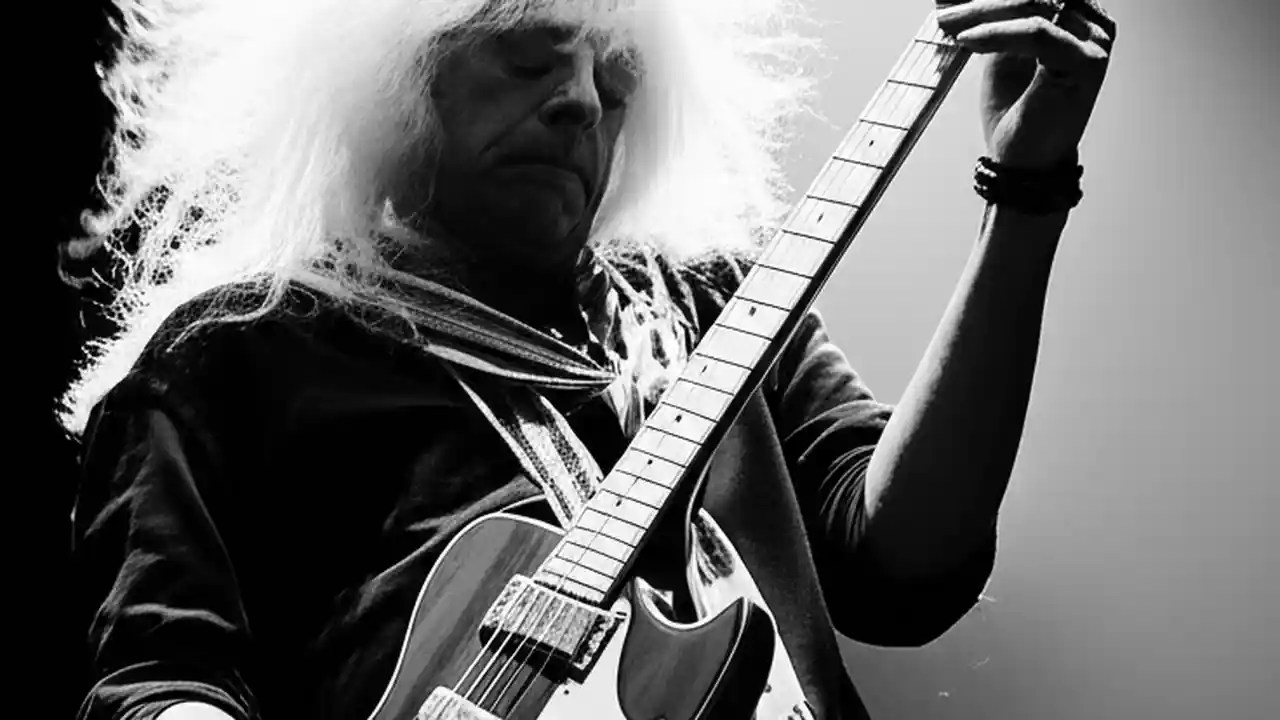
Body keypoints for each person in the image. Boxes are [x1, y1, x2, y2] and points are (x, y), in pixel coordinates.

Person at [64, 0, 1116, 718]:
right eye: (527, 56)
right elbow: (160, 678)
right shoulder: (230, 356)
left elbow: (906, 572)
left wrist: (1023, 193)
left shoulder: (722, 306)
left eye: (614, 81)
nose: (577, 101)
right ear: (393, 73)